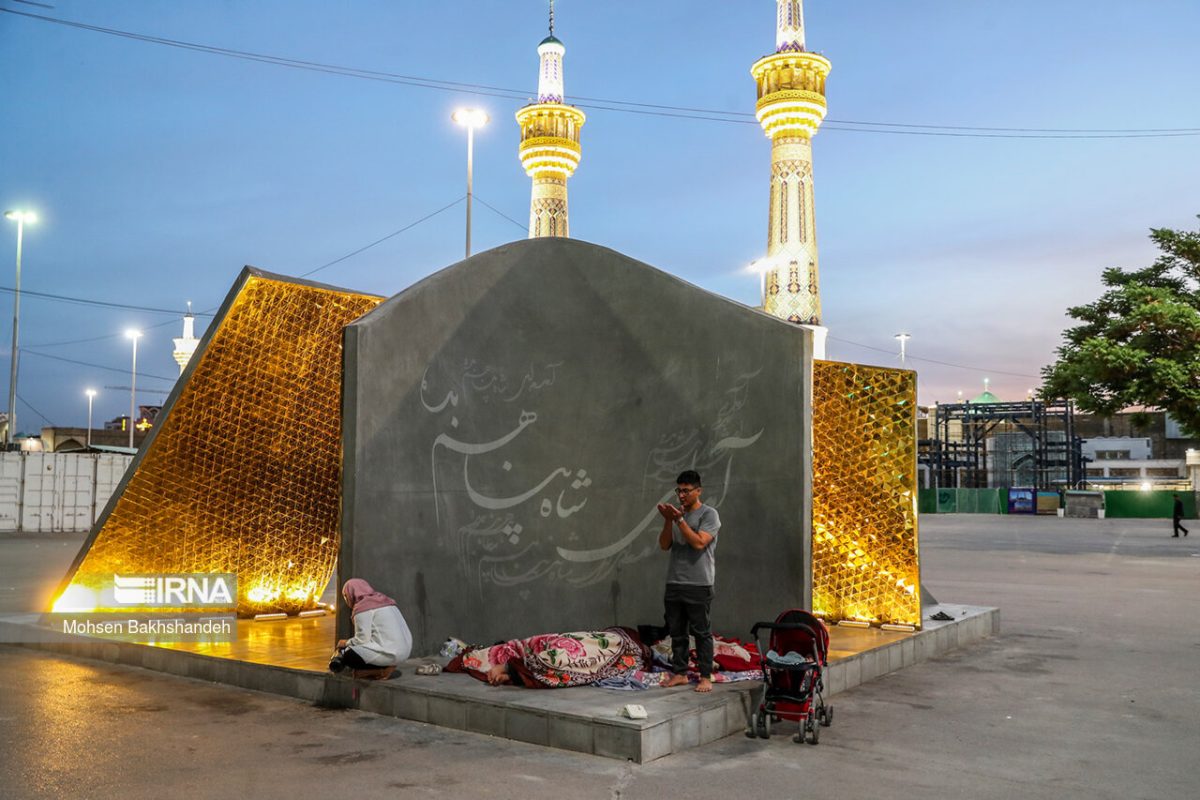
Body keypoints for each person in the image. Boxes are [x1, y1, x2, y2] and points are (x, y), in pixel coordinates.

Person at [656, 469, 721, 693]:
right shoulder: (677, 516)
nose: (681, 495)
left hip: (699, 583)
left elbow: (699, 543)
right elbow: (664, 545)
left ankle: (705, 676)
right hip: (675, 582)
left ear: (698, 491)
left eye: (686, 491)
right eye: (679, 491)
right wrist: (668, 521)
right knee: (677, 632)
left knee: (701, 632)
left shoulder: (709, 514)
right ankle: (680, 673)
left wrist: (679, 520)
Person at [329, 578, 413, 679]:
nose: (346, 600)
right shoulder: (385, 601)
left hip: (391, 654)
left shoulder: (362, 608)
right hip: (405, 652)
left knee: (348, 655)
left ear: (351, 594)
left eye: (345, 596)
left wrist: (346, 643)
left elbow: (362, 639)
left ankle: (381, 671)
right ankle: (386, 666)